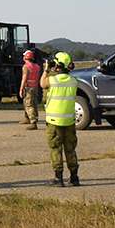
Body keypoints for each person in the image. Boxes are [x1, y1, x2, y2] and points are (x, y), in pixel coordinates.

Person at [44, 51, 80, 187]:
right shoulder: (73, 81)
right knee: (70, 149)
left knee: (55, 148)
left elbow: (42, 84)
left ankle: (58, 178)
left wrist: (46, 70)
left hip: (54, 122)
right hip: (69, 121)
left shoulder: (52, 80)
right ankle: (74, 177)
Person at [19, 49, 44, 129]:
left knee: (29, 104)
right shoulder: (37, 66)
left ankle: (33, 122)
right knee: (32, 103)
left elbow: (24, 78)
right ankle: (27, 118)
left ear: (25, 58)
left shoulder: (26, 67)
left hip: (28, 87)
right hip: (35, 87)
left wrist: (21, 89)